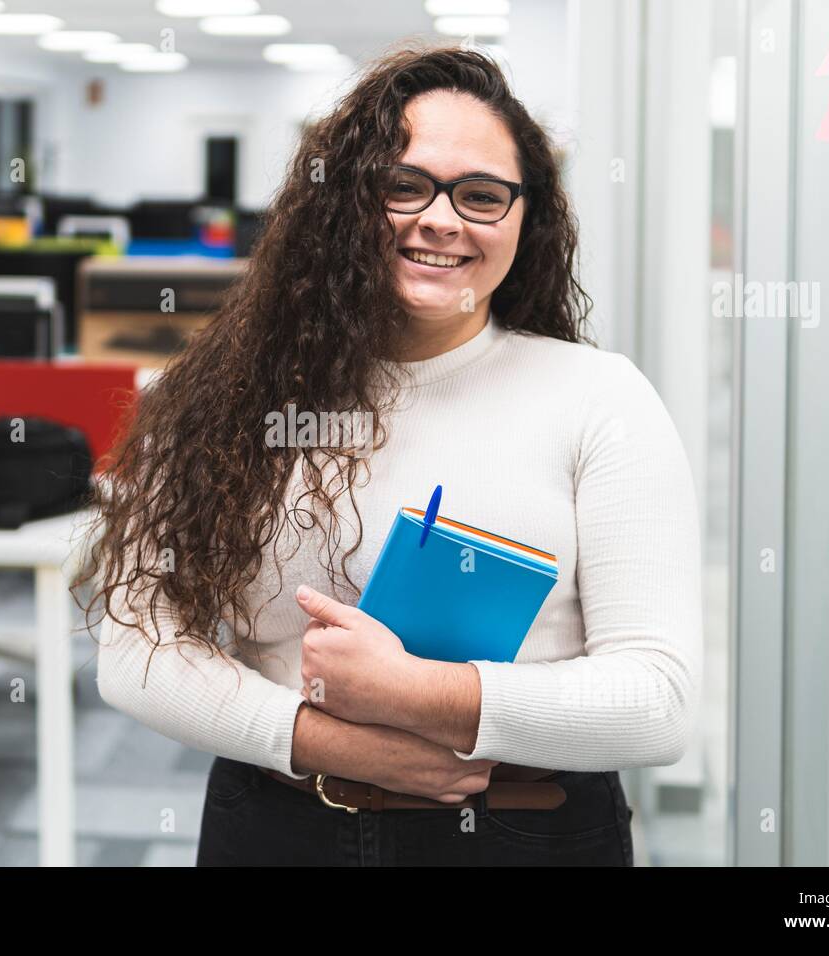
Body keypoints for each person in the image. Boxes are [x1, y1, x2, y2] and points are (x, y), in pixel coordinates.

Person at [77, 46, 702, 866]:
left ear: (526, 216)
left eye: (482, 196)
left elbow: (657, 703)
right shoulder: (227, 391)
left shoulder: (600, 399)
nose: (442, 219)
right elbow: (135, 651)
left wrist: (425, 696)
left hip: (523, 833)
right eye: (404, 185)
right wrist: (326, 742)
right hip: (278, 822)